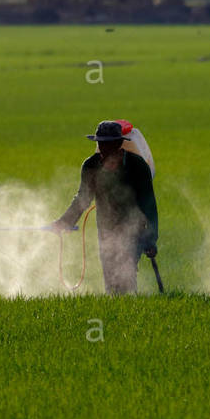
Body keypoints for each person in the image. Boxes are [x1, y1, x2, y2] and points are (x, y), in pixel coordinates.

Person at [51, 120, 158, 295]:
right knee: (110, 276)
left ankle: (129, 306)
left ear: (119, 143)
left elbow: (149, 205)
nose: (104, 148)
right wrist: (64, 222)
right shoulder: (91, 166)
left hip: (133, 230)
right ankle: (115, 308)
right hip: (106, 230)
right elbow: (83, 199)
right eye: (101, 143)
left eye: (109, 144)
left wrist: (151, 238)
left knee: (126, 272)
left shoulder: (137, 166)